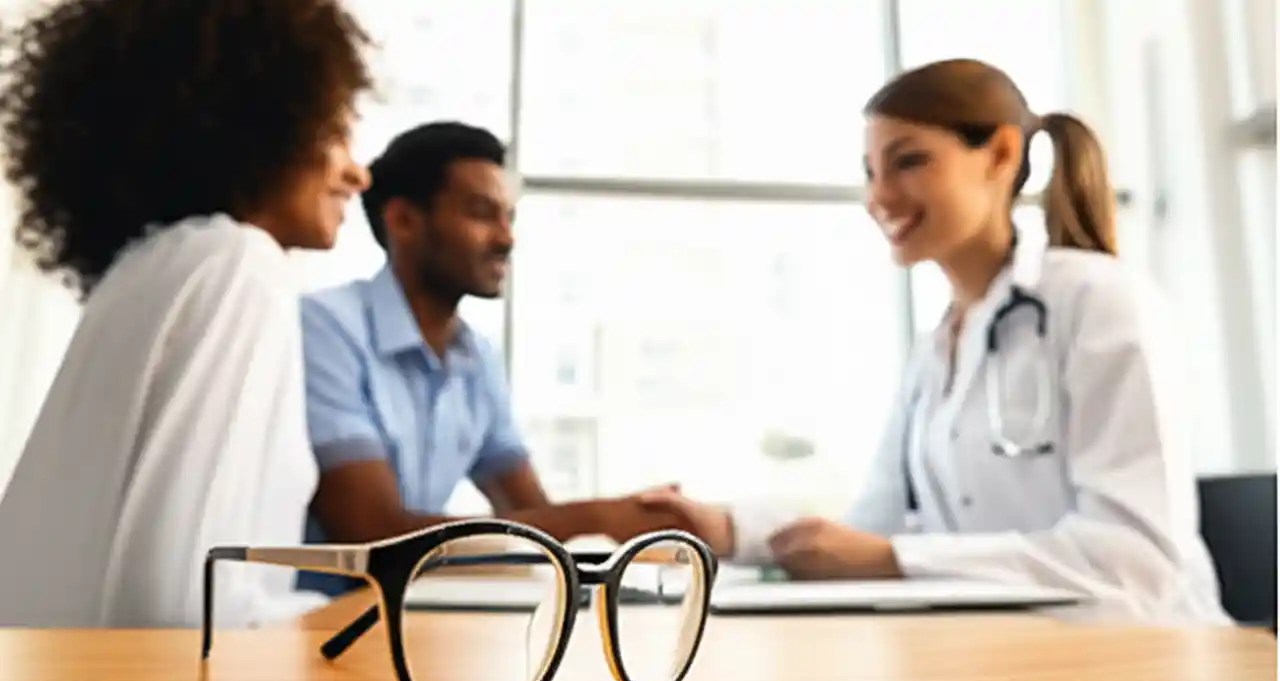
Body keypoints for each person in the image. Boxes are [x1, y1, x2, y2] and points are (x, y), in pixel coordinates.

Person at [642, 59, 1228, 624]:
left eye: (910, 162)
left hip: (1154, 657)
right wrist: (726, 530)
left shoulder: (1098, 300)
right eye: (871, 172)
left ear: (1000, 154)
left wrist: (896, 561)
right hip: (1007, 661)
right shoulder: (935, 349)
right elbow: (873, 526)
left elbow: (1137, 561)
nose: (881, 197)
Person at [0, 0, 372, 627]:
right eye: (335, 132)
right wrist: (353, 622)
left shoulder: (154, 269)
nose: (356, 174)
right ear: (259, 123)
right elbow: (181, 610)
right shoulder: (237, 268)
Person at [299, 121, 684, 593]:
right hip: (315, 631)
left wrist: (626, 521)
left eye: (509, 217)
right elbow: (370, 532)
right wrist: (598, 517)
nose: (506, 238)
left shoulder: (475, 357)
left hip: (420, 622)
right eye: (483, 214)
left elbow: (531, 514)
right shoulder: (326, 329)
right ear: (403, 221)